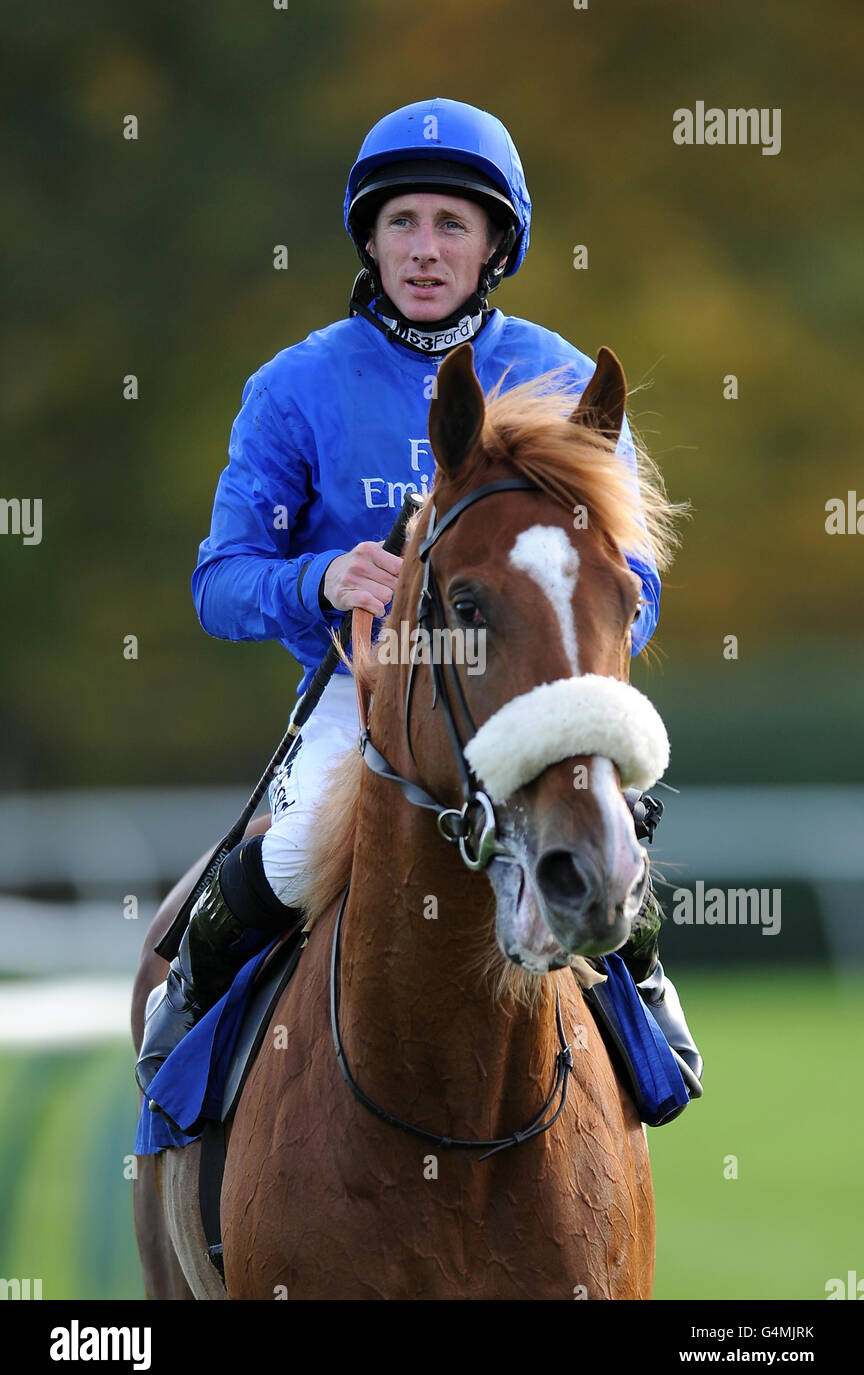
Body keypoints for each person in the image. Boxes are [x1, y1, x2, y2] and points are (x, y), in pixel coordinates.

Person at [136, 97, 702, 1099]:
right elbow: (219, 583)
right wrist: (321, 576)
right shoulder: (293, 386)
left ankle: (645, 1005)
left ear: (493, 245)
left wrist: (580, 641)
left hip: (530, 695)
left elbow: (637, 582)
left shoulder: (564, 375)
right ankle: (186, 1028)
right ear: (371, 236)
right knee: (295, 847)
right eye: (402, 221)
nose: (425, 249)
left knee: (608, 851)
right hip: (363, 696)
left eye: (452, 224)